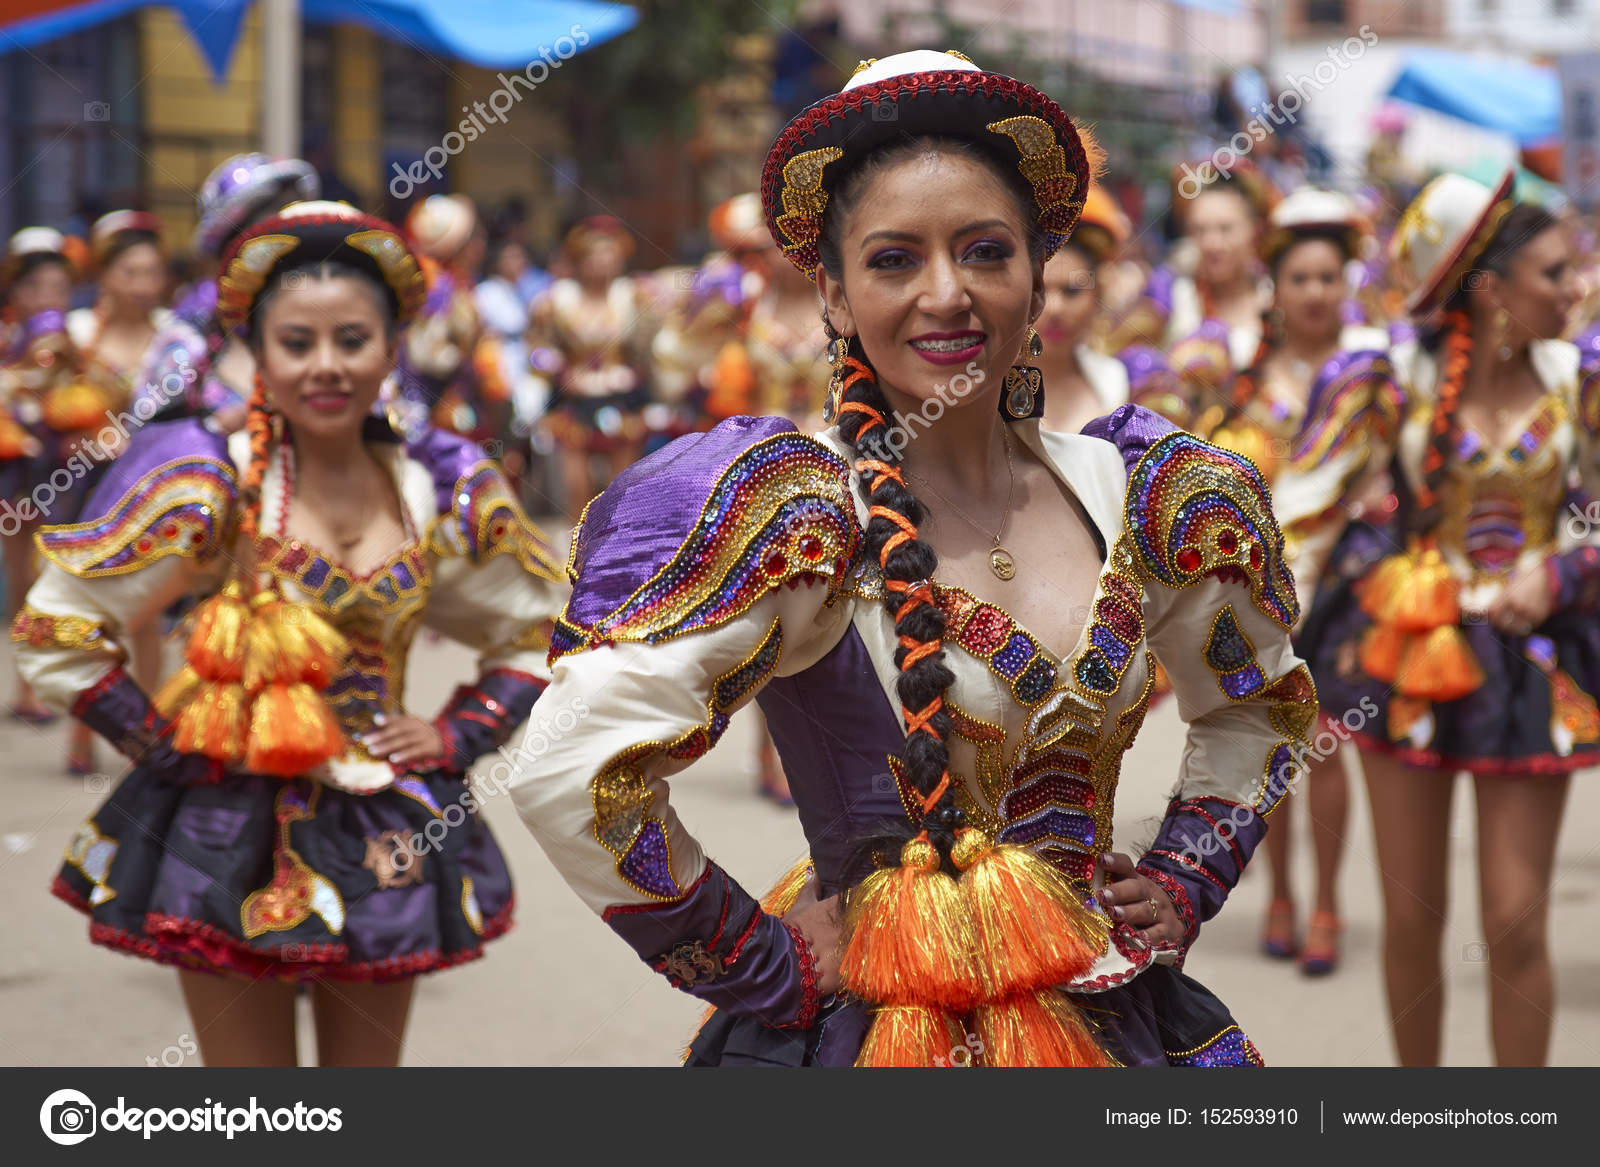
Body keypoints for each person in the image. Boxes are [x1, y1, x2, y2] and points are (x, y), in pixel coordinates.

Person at [508, 50, 1316, 1067]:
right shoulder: (803, 518)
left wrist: (1184, 874)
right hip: (880, 1036)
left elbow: (1258, 702)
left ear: (1037, 269)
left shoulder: (1141, 493)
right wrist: (754, 957)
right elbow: (565, 768)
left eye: (986, 251)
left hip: (1117, 1017)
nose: (948, 294)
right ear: (833, 294)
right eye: (894, 260)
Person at [11, 201, 567, 1066]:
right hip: (223, 822)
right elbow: (60, 623)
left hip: (384, 819)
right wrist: (161, 744)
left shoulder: (434, 488)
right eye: (297, 343)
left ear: (392, 348)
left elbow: (538, 630)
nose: (326, 366)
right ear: (258, 356)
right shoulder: (210, 478)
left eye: (352, 339)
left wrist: (458, 731)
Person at [1297, 172, 1596, 1064]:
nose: (1576, 287)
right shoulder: (1392, 376)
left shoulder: (1577, 378)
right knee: (1412, 916)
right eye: (1555, 273)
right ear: (1492, 286)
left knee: (1515, 922)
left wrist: (1565, 567)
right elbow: (1300, 504)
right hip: (1409, 653)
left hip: (1531, 665)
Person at [1194, 189, 1402, 973]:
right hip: (1253, 592)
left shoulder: (1373, 374)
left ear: (1345, 285)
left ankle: (1325, 903)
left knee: (1326, 744)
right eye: (1301, 278)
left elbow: (1397, 469)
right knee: (1267, 747)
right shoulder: (1239, 379)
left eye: (1328, 277)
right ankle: (1277, 890)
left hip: (1345, 585)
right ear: (1275, 288)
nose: (1315, 292)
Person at [136, 153, 320, 432]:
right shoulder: (187, 345)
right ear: (226, 256)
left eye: (300, 238)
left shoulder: (341, 333)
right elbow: (145, 450)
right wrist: (213, 434)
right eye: (268, 241)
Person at [2, 228, 83, 725]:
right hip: (15, 473)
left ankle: (51, 682)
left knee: (53, 576)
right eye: (38, 288)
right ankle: (26, 685)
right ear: (17, 293)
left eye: (58, 288)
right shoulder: (8, 340)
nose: (49, 299)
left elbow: (104, 397)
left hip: (63, 470)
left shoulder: (77, 339)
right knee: (24, 579)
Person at [527, 217, 653, 520]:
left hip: (621, 398)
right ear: (579, 260)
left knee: (623, 485)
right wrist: (556, 368)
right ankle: (579, 546)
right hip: (576, 400)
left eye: (609, 254)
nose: (602, 262)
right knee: (576, 486)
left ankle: (619, 547)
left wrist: (634, 374)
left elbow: (648, 350)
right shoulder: (556, 301)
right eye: (594, 255)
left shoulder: (633, 296)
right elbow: (535, 347)